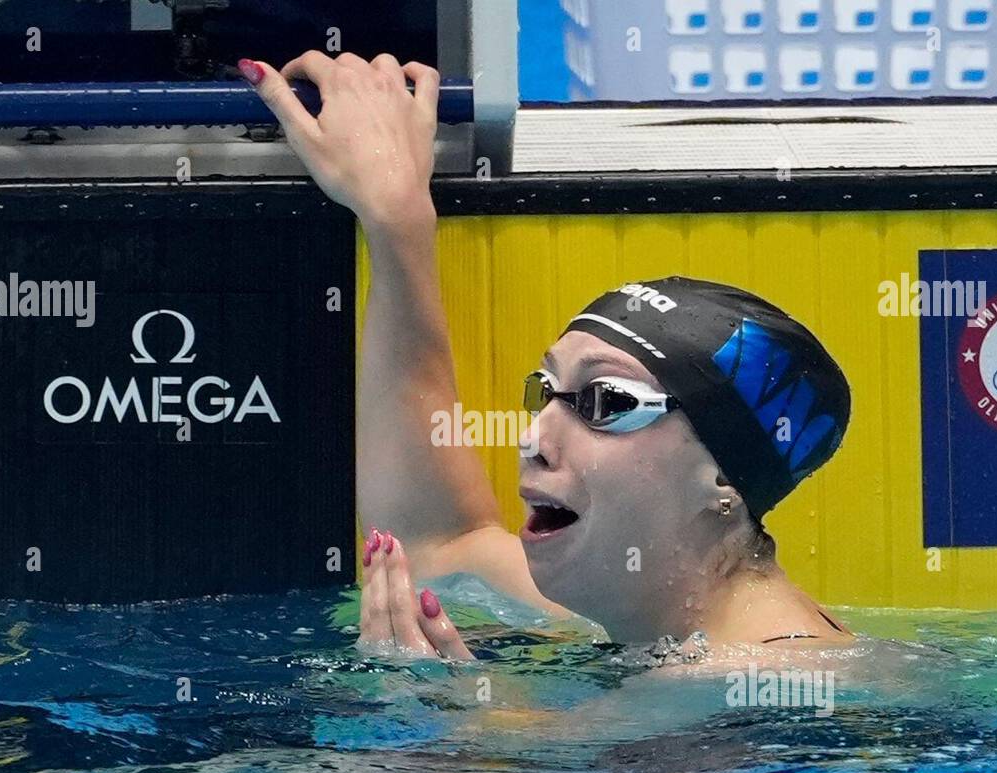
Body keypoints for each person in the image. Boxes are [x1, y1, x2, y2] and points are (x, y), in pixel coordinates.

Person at [238, 51, 853, 663]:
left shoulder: (758, 676)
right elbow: (440, 544)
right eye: (545, 390)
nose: (532, 437)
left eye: (606, 403)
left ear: (723, 478)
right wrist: (395, 218)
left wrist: (437, 728)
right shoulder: (654, 609)